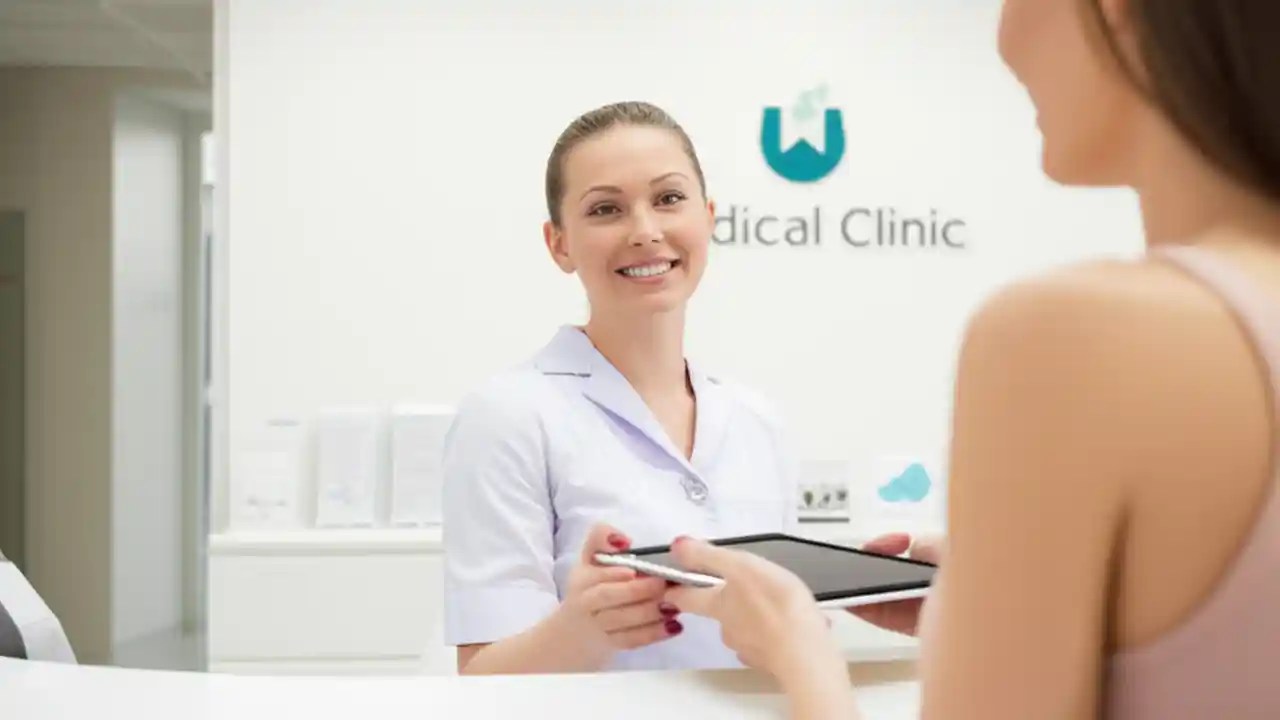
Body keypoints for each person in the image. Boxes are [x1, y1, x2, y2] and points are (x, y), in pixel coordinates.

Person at [665, 0, 1280, 717]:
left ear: (1114, 13)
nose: (1004, 40)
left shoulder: (1074, 337)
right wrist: (998, 612)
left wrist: (800, 654)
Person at [441, 101, 798, 675]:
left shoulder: (758, 419)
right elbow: (483, 673)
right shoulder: (507, 416)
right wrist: (581, 631)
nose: (646, 231)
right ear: (559, 244)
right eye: (606, 209)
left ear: (708, 216)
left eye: (669, 198)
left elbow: (779, 647)